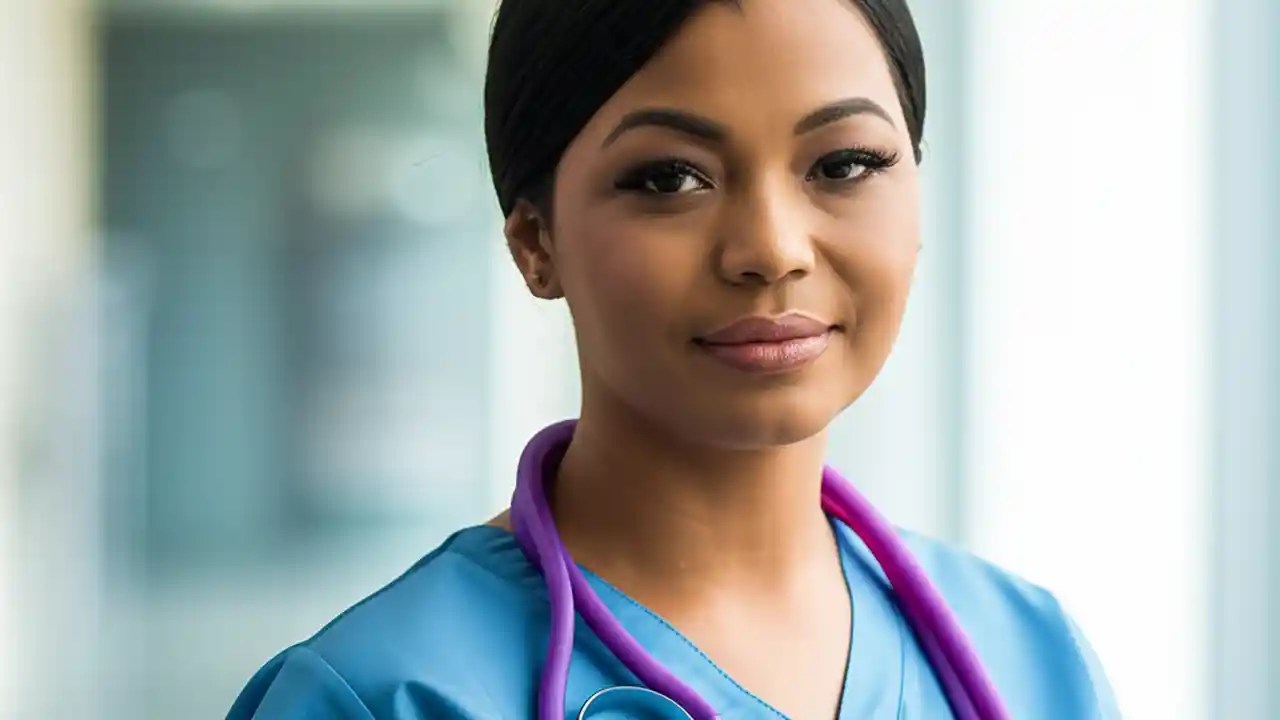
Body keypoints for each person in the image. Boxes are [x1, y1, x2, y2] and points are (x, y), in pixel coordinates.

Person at [228, 0, 1121, 717]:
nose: (771, 249)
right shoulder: (384, 696)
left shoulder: (1029, 659)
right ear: (537, 243)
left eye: (845, 164)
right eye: (670, 178)